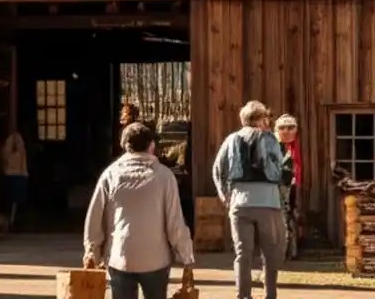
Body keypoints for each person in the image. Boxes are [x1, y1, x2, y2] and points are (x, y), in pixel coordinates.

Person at [83, 122, 195, 299]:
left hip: (120, 256)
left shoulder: (110, 175)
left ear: (123, 145)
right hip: (156, 259)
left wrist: (92, 251)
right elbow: (174, 222)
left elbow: (95, 217)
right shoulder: (165, 176)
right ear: (152, 146)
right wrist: (186, 255)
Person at [212, 100, 286, 299]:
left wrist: (224, 195)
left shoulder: (231, 139)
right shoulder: (270, 139)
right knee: (270, 252)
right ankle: (270, 294)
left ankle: (243, 295)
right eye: (266, 118)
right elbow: (278, 167)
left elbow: (218, 170)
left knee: (243, 253)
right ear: (261, 119)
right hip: (268, 203)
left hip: (239, 203)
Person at [274, 114, 302, 260]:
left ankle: (292, 251)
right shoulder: (273, 146)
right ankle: (281, 252)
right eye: (282, 128)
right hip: (277, 187)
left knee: (291, 216)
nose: (286, 131)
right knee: (281, 217)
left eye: (290, 127)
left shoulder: (294, 146)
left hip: (290, 185)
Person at [0, 126, 28, 230]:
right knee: (13, 200)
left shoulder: (13, 141)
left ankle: (12, 220)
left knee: (13, 200)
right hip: (16, 174)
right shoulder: (14, 141)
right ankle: (11, 220)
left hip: (13, 173)